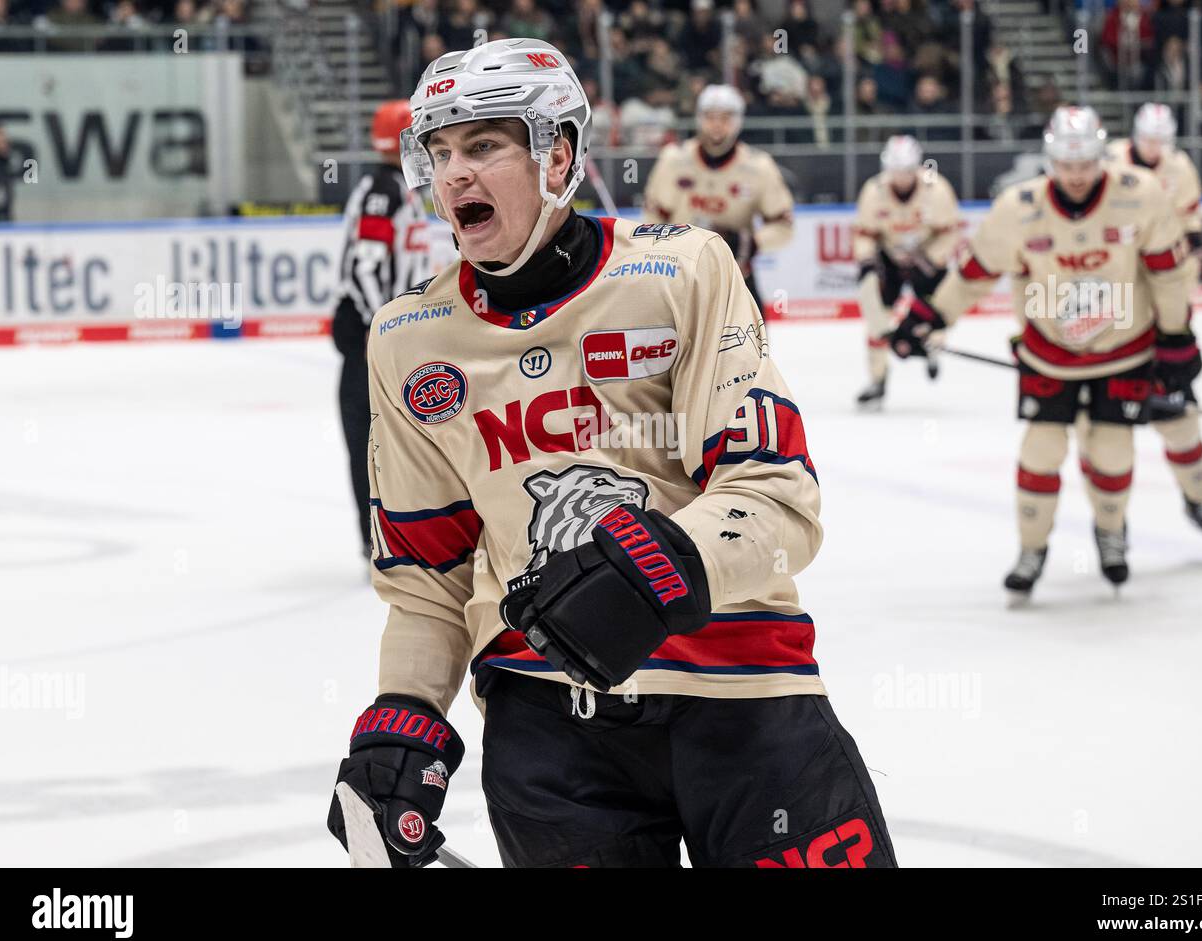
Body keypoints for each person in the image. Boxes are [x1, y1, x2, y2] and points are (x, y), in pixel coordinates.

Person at [325, 39, 896, 869]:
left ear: (558, 153)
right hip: (549, 725)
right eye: (440, 153)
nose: (454, 176)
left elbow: (778, 496)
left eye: (484, 146)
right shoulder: (410, 340)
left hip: (744, 691)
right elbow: (427, 581)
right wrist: (402, 713)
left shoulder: (681, 270)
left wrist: (659, 567)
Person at [890, 107, 1196, 600]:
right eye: (1065, 165)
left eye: (1085, 164)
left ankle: (1111, 533)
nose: (1076, 176)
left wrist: (1179, 337)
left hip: (1125, 349)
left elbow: (1167, 272)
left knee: (1113, 453)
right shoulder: (1018, 208)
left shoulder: (1140, 195)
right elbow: (974, 274)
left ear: (1102, 157)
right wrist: (930, 316)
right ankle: (1032, 549)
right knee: (1041, 450)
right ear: (1050, 160)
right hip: (1049, 353)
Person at [1093, 103, 1202, 548]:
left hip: (1161, 300)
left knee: (1180, 420)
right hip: (1112, 305)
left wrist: (1201, 255)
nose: (1154, 148)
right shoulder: (1108, 162)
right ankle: (1110, 524)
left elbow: (1191, 230)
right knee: (1105, 434)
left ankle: (1199, 501)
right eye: (1148, 139)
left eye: (1161, 141)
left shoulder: (1180, 168)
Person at [331, 100, 430, 557]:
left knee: (392, 440)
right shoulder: (382, 191)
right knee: (370, 442)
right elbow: (366, 267)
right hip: (371, 336)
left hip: (385, 334)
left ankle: (392, 534)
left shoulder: (395, 188)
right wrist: (382, 324)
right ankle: (376, 539)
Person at [641, 84, 795, 318]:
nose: (716, 125)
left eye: (725, 118)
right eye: (710, 117)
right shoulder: (673, 159)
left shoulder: (758, 166)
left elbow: (783, 225)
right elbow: (652, 219)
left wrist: (749, 243)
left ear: (738, 121)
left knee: (749, 350)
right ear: (699, 118)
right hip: (679, 276)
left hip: (736, 275)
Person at [853, 135, 959, 406]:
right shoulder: (873, 190)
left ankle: (932, 349)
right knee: (873, 306)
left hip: (927, 257)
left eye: (907, 171)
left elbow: (950, 234)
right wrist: (866, 259)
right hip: (890, 257)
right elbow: (864, 234)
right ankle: (878, 378)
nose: (901, 178)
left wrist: (931, 260)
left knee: (935, 310)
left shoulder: (937, 189)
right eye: (895, 172)